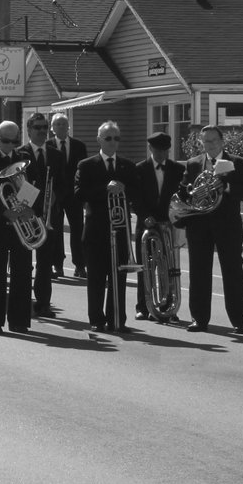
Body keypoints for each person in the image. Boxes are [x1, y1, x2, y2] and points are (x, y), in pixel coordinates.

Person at [179, 125, 243, 333]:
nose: (209, 145)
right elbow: (184, 192)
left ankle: (239, 320)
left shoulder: (237, 163)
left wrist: (226, 186)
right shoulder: (194, 164)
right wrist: (193, 192)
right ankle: (199, 319)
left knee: (233, 272)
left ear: (222, 142)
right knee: (199, 273)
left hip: (227, 226)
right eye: (205, 142)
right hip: (199, 225)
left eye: (213, 141)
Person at [74, 120, 140, 332]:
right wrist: (105, 189)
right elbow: (78, 194)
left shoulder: (128, 166)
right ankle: (97, 319)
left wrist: (124, 189)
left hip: (120, 230)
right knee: (96, 278)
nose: (113, 142)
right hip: (95, 231)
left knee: (118, 278)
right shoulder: (86, 165)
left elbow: (137, 196)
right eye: (109, 138)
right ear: (99, 140)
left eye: (116, 138)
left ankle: (118, 320)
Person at [0, 121, 34, 334]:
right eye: (5, 140)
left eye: (14, 141)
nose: (10, 145)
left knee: (22, 271)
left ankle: (19, 320)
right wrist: (5, 211)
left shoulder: (24, 159)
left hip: (21, 221)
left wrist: (26, 208)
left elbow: (32, 184)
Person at [132, 131, 185, 320]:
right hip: (146, 224)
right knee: (145, 267)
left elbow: (182, 197)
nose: (161, 154)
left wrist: (175, 217)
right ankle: (143, 307)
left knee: (169, 268)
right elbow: (135, 198)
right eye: (157, 150)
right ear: (150, 149)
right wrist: (145, 216)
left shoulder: (178, 170)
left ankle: (169, 306)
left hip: (168, 225)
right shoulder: (139, 169)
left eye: (165, 150)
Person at [18, 112, 67, 317]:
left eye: (44, 127)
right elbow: (18, 184)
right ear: (28, 129)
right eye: (37, 127)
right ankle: (22, 302)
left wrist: (56, 196)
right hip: (27, 215)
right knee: (23, 262)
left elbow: (65, 182)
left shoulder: (56, 154)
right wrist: (32, 200)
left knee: (45, 263)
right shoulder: (21, 154)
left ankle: (43, 302)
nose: (41, 131)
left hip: (49, 216)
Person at [46, 113, 88, 277]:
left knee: (78, 229)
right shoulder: (48, 145)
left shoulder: (79, 146)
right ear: (52, 128)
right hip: (55, 194)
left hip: (73, 195)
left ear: (68, 126)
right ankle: (57, 264)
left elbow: (83, 172)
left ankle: (80, 265)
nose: (61, 127)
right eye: (58, 124)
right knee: (55, 231)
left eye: (64, 124)